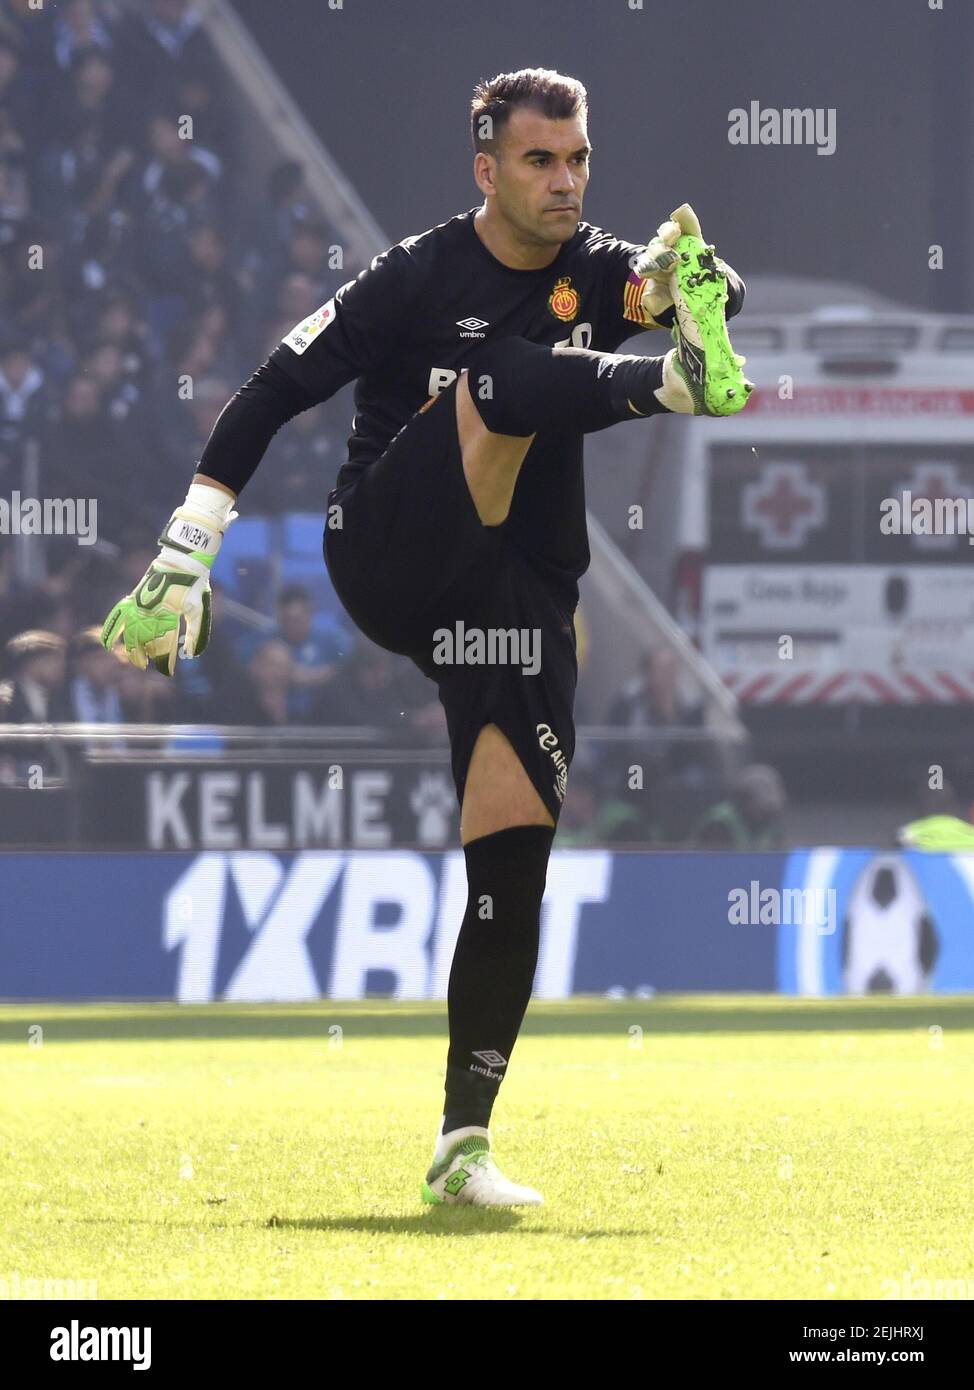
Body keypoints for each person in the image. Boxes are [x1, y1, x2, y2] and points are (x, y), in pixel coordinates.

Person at [101, 68, 751, 1207]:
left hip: (514, 596)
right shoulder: (413, 275)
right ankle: (671, 395)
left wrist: (695, 285)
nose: (566, 180)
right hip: (392, 551)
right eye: (542, 160)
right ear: (485, 169)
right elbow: (268, 389)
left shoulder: (597, 269)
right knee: (497, 372)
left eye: (580, 158)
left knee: (511, 863)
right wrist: (184, 546)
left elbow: (678, 288)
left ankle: (463, 1145)